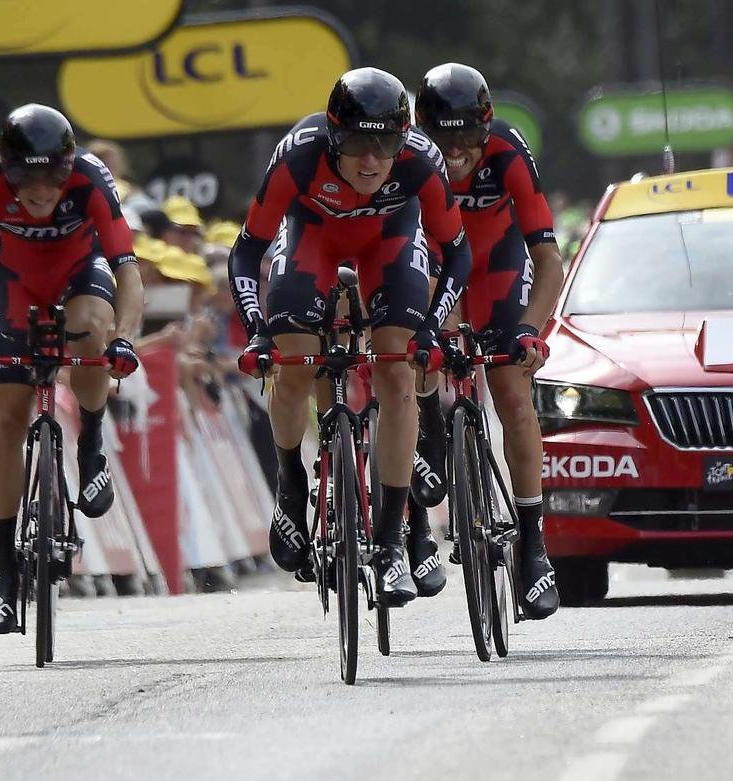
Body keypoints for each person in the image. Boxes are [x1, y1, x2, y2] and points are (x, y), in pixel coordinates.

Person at [226, 67, 470, 606]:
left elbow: (458, 254)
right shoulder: (297, 156)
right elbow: (246, 252)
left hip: (390, 241)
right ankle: (292, 486)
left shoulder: (420, 163)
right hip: (312, 239)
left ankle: (392, 541)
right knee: (292, 361)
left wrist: (431, 328)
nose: (370, 160)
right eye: (357, 143)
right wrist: (255, 332)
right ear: (333, 137)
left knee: (397, 369)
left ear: (403, 140)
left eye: (385, 145)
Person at [0, 104, 144, 634]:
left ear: (67, 168)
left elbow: (128, 272)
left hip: (82, 274)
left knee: (91, 327)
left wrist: (124, 339)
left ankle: (91, 445)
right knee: (6, 421)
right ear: (6, 170)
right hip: (16, 286)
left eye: (52, 178)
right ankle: (4, 570)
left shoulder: (92, 177)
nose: (40, 191)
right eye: (25, 179)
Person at [412, 62, 564, 618]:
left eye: (467, 139)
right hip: (434, 268)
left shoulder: (506, 151)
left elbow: (547, 258)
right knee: (417, 355)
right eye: (441, 140)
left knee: (513, 391)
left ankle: (533, 541)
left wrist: (530, 328)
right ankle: (426, 444)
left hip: (498, 269)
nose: (456, 153)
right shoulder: (404, 159)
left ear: (487, 127)